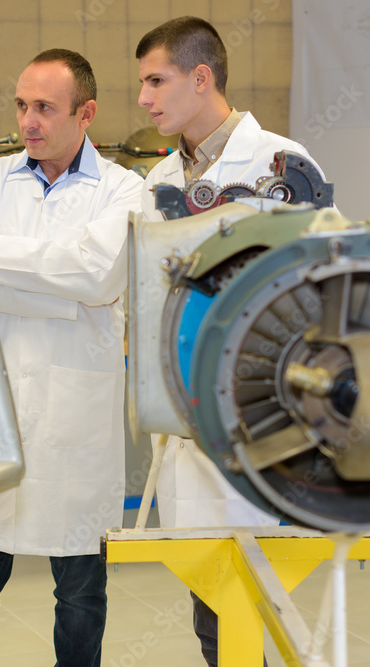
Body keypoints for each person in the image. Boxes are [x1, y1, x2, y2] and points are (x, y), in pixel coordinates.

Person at [0, 49, 143, 667]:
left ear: (86, 113)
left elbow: (100, 276)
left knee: (80, 592)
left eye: (45, 108)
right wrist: (58, 280)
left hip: (75, 420)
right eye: (23, 105)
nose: (29, 120)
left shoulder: (124, 188)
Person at [135, 16, 325, 667]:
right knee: (212, 606)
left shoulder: (283, 165)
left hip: (260, 414)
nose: (144, 98)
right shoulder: (159, 182)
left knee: (255, 604)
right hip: (186, 414)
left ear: (201, 77)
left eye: (155, 80)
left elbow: (318, 295)